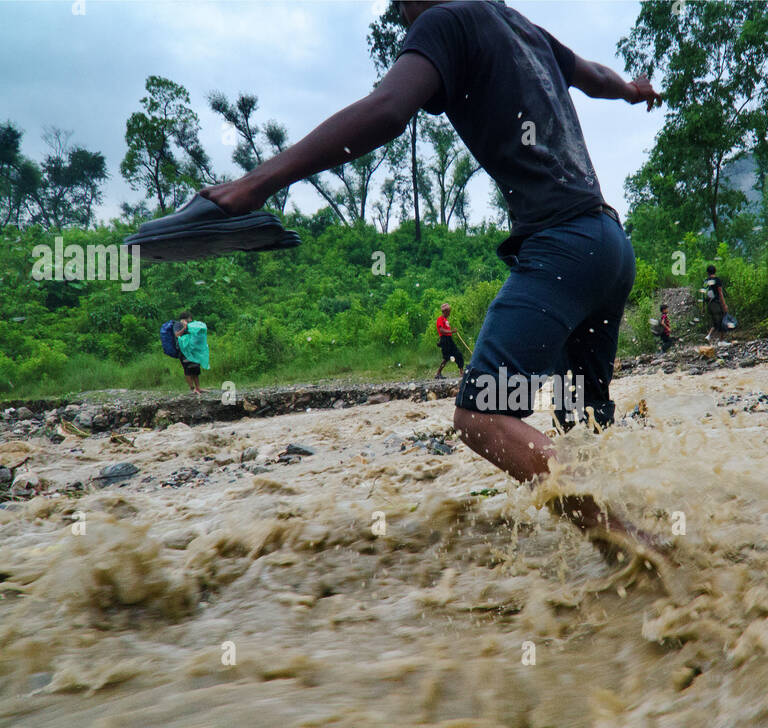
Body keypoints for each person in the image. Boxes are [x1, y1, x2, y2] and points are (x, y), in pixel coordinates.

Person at [198, 0, 663, 555]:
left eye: (399, 7)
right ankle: (631, 568)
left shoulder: (445, 21)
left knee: (482, 414)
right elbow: (598, 78)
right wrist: (634, 90)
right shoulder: (524, 29)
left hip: (563, 249)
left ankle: (636, 541)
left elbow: (389, 109)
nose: (401, 18)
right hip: (610, 245)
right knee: (580, 420)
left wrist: (256, 184)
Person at [173, 311, 210, 395]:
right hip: (183, 350)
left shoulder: (191, 325)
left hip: (192, 349)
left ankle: (198, 388)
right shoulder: (177, 325)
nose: (191, 319)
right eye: (190, 318)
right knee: (188, 369)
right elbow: (177, 335)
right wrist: (184, 327)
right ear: (186, 318)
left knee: (195, 367)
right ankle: (192, 388)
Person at [434, 302, 464, 378]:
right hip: (444, 340)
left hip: (449, 339)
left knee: (458, 354)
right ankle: (438, 373)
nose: (449, 313)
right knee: (446, 358)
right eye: (448, 311)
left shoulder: (446, 320)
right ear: (444, 311)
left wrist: (451, 332)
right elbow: (441, 330)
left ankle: (461, 372)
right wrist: (452, 331)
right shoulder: (440, 319)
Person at [704, 265, 729, 341]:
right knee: (722, 320)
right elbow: (720, 293)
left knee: (715, 321)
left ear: (707, 272)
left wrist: (703, 307)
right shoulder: (717, 280)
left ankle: (709, 336)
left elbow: (704, 294)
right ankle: (721, 340)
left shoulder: (706, 281)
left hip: (709, 304)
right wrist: (724, 305)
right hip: (716, 303)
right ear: (715, 271)